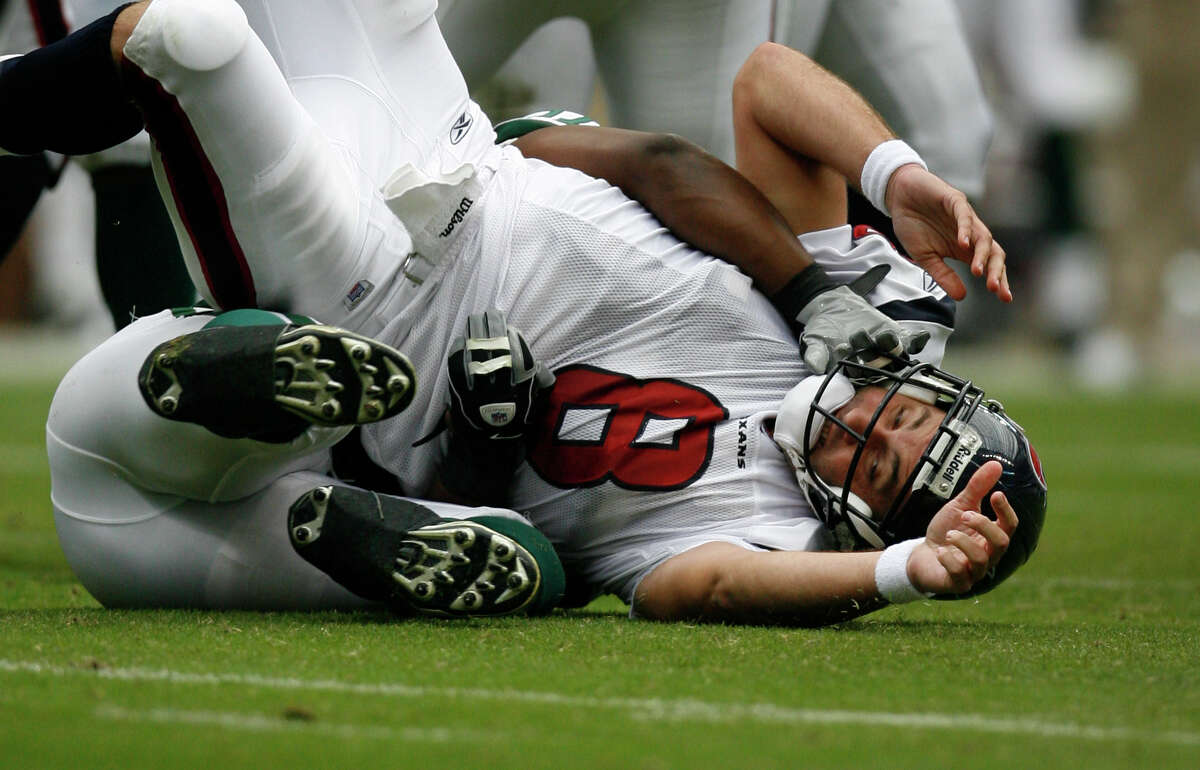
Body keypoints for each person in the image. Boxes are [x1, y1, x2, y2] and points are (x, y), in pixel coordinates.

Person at [12, 0, 1037, 625]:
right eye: (901, 421)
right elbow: (756, 92)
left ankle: (274, 392)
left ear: (864, 523)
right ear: (928, 383)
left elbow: (716, 588)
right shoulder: (868, 318)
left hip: (375, 314)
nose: (864, 426)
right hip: (448, 145)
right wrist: (889, 167)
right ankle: (288, 406)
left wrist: (901, 569)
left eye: (880, 471)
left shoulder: (772, 530)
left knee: (193, 37)